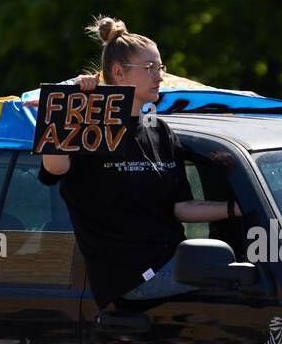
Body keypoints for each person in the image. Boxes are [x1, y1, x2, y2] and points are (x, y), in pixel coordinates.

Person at [34, 16, 242, 311]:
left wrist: (238, 208)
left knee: (253, 274)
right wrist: (71, 107)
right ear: (118, 72)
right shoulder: (91, 125)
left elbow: (179, 206)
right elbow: (54, 169)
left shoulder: (159, 130)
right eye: (150, 69)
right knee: (246, 287)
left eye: (160, 68)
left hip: (174, 261)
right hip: (130, 279)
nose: (159, 76)